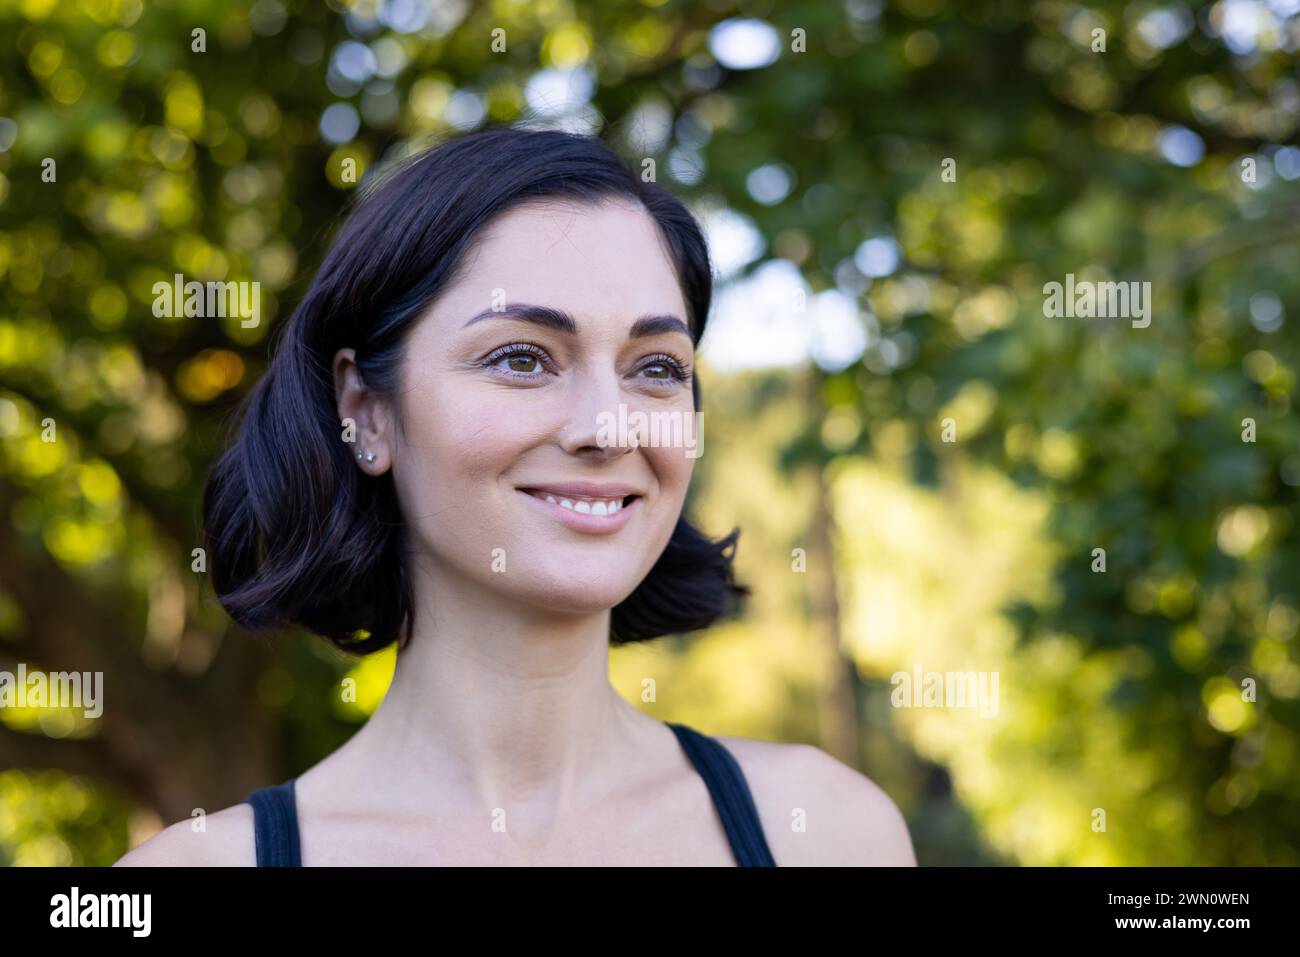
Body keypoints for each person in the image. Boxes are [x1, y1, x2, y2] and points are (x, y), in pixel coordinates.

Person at [114, 127, 916, 866]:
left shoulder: (826, 831)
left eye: (657, 367)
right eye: (523, 359)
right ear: (366, 411)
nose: (607, 428)